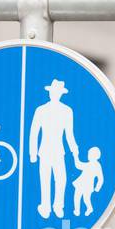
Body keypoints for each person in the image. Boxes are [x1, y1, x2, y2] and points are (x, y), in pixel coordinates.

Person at [29, 78, 77, 219]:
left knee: (61, 179)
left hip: (58, 151)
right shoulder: (41, 110)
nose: (54, 94)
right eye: (52, 92)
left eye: (56, 92)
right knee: (45, 180)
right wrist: (32, 153)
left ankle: (58, 206)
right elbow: (34, 132)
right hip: (44, 151)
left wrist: (74, 150)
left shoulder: (67, 111)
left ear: (60, 94)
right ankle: (45, 206)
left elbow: (69, 134)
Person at [71, 146, 103, 216]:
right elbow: (78, 165)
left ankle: (89, 208)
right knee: (77, 196)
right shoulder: (90, 164)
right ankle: (77, 210)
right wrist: (75, 157)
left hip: (87, 186)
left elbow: (100, 178)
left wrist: (98, 187)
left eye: (89, 154)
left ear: (94, 156)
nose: (88, 155)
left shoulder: (96, 165)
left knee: (86, 199)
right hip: (81, 184)